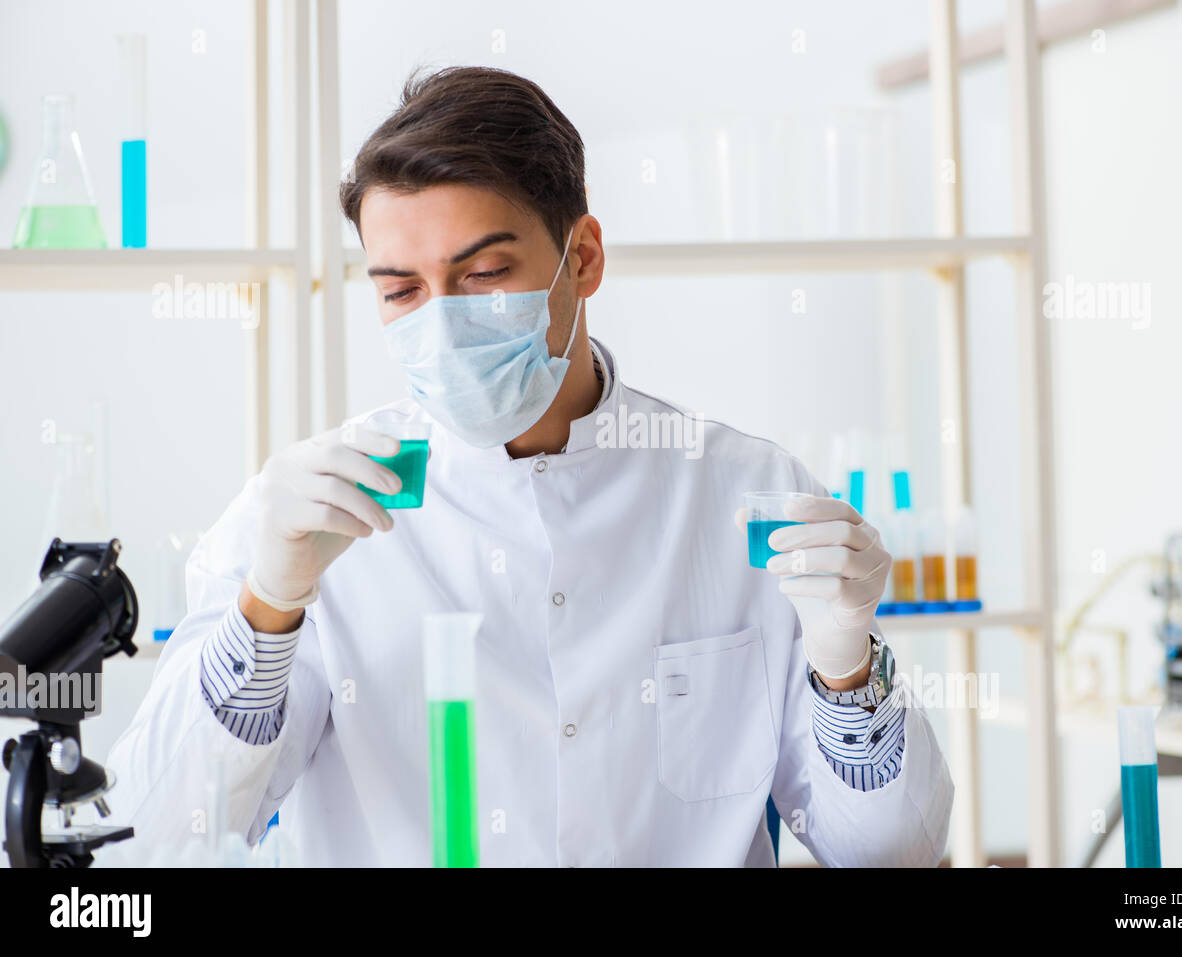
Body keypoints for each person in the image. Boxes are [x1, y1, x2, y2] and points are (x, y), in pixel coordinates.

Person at [106, 66, 953, 866]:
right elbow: (158, 839)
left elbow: (895, 852)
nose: (440, 322)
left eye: (483, 273)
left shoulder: (742, 493)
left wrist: (847, 666)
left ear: (582, 257)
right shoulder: (311, 517)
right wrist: (267, 608)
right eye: (401, 290)